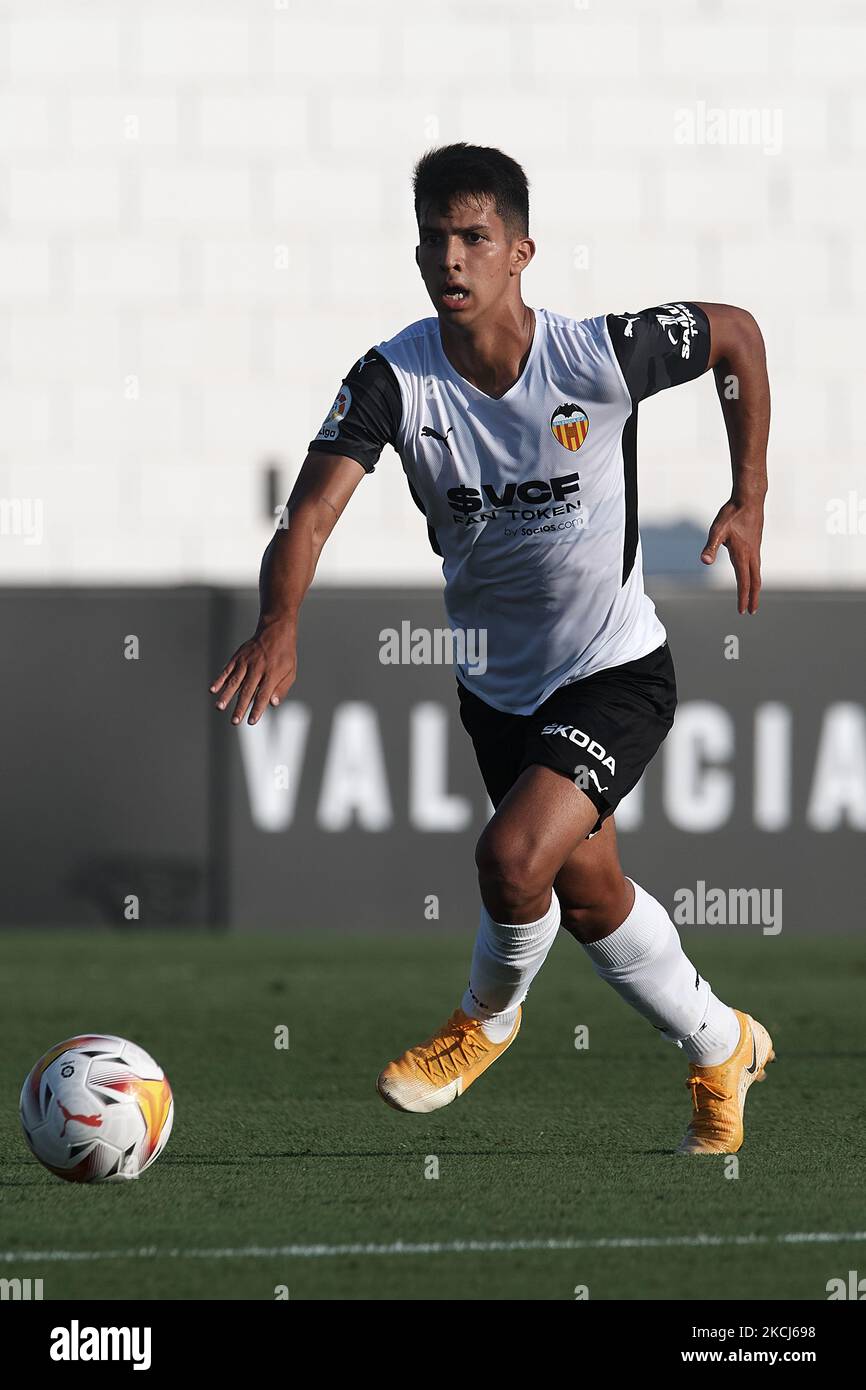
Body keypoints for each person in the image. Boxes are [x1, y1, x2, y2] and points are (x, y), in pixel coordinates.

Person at [211, 143, 773, 1155]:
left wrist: (749, 493)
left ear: (519, 250)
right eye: (433, 239)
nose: (450, 259)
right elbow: (308, 516)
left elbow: (734, 335)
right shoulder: (394, 378)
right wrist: (280, 621)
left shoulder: (595, 356)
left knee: (510, 857)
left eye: (472, 238)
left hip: (613, 672)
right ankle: (721, 1042)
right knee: (588, 892)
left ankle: (481, 1020)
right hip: (496, 691)